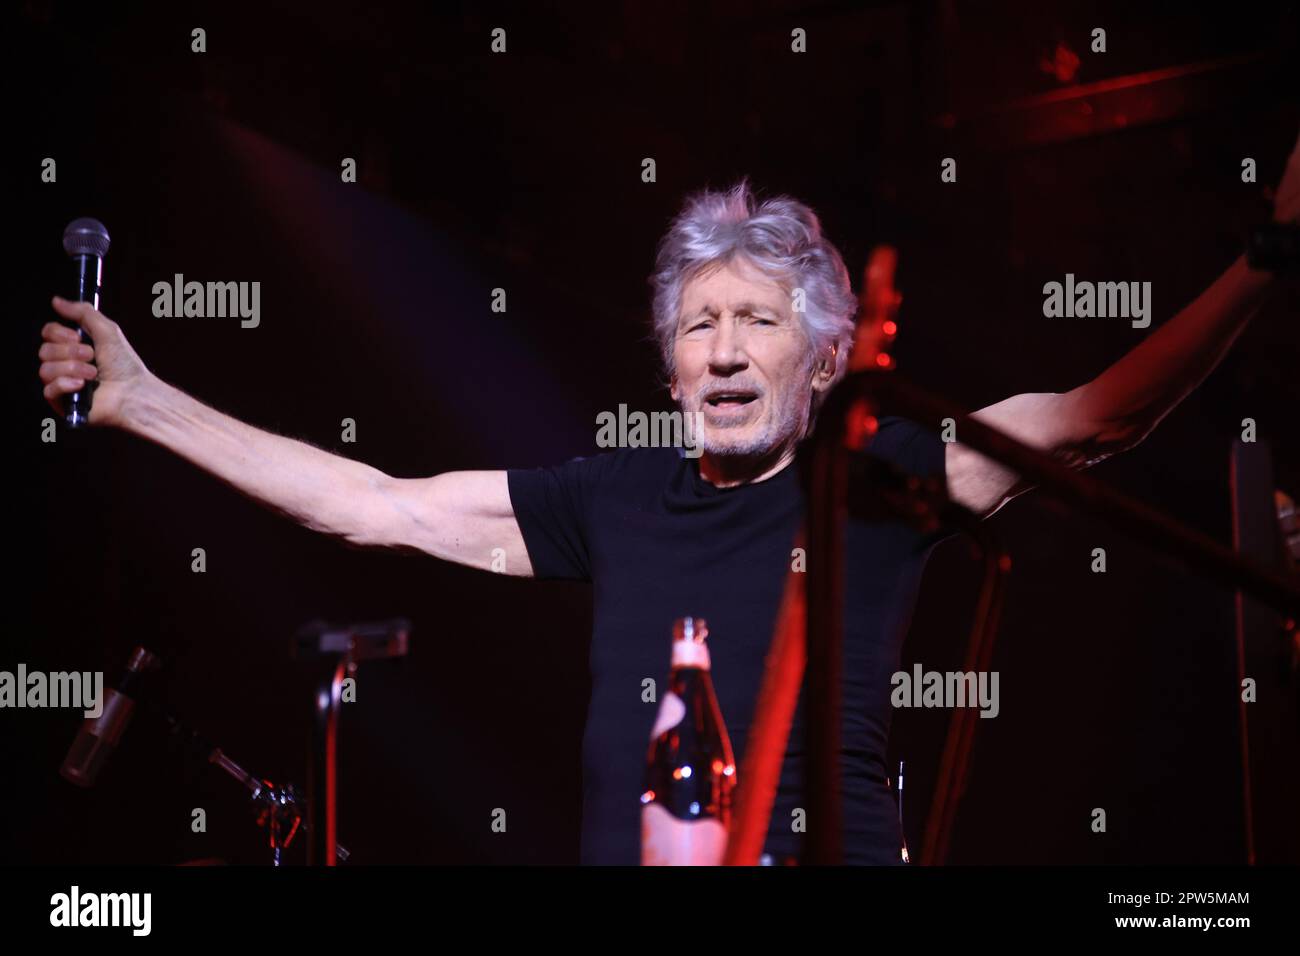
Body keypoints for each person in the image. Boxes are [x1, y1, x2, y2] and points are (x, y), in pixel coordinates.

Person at [38, 137, 1299, 863]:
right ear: (669, 360)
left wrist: (1265, 257)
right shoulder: (615, 495)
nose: (727, 349)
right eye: (700, 325)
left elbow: (1096, 414)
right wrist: (142, 400)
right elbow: (374, 502)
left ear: (824, 353)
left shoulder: (881, 473)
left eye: (759, 320)